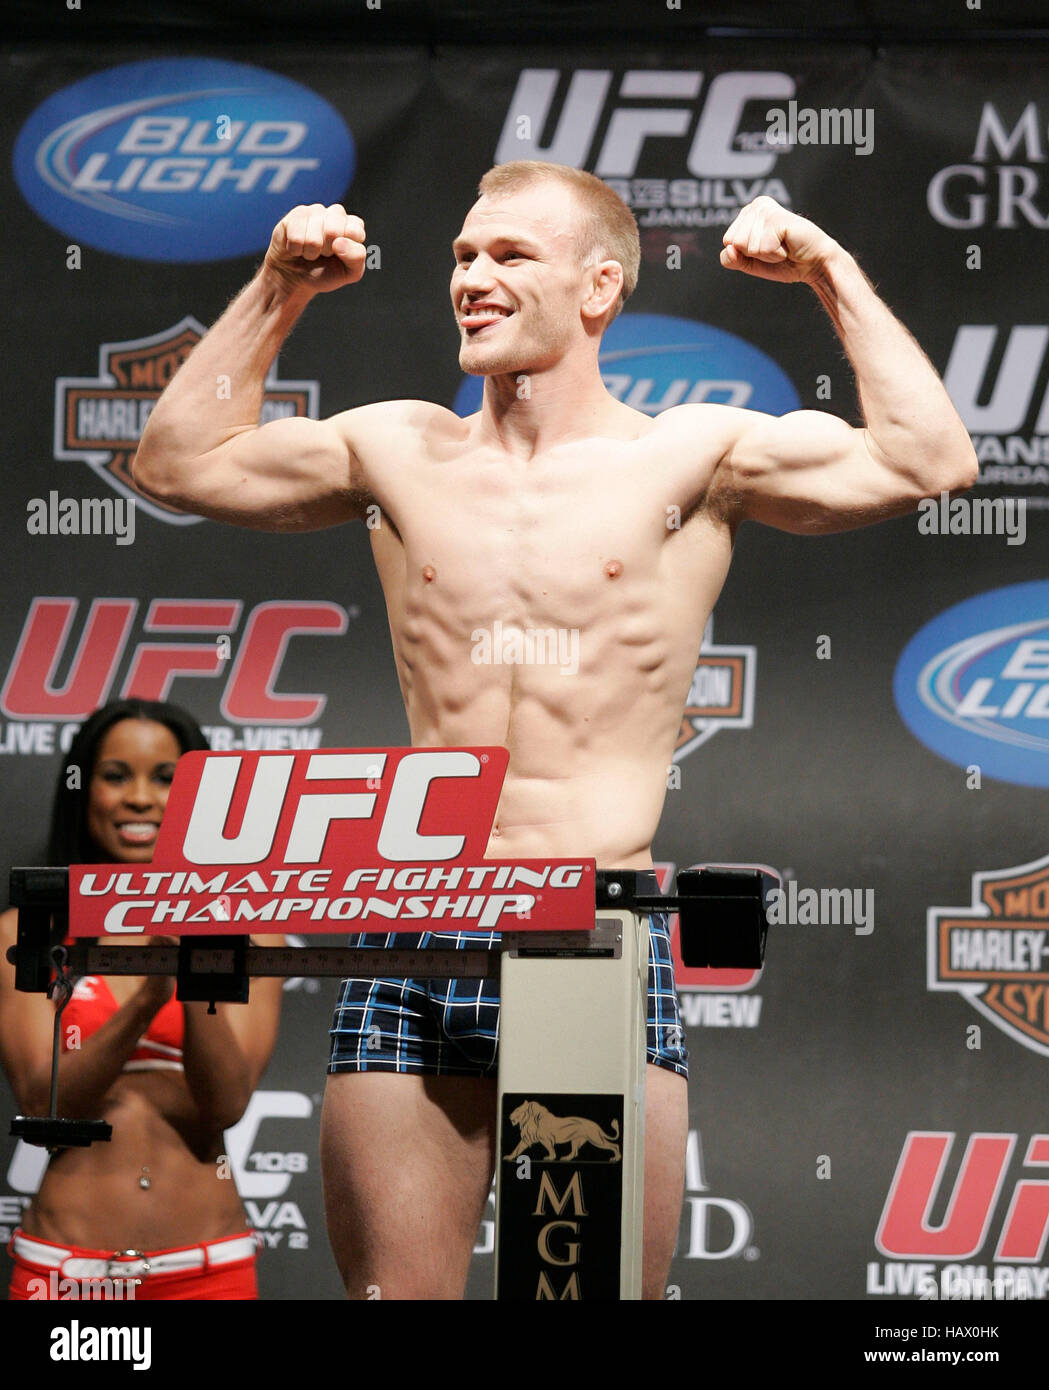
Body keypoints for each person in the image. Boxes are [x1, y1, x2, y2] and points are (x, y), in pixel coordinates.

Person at [131, 161, 978, 1300]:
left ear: (599, 287)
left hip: (584, 929)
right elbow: (173, 464)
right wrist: (281, 285)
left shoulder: (690, 458)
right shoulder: (395, 449)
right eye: (461, 259)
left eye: (508, 256)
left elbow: (931, 460)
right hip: (414, 924)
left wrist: (825, 269)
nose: (471, 280)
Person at [0, 699, 284, 1300]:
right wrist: (149, 997)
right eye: (114, 775)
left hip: (210, 1272)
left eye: (166, 779)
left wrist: (190, 966)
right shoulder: (28, 931)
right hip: (65, 1273)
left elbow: (227, 1102)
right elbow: (44, 1106)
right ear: (85, 790)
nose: (139, 798)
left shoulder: (250, 930)